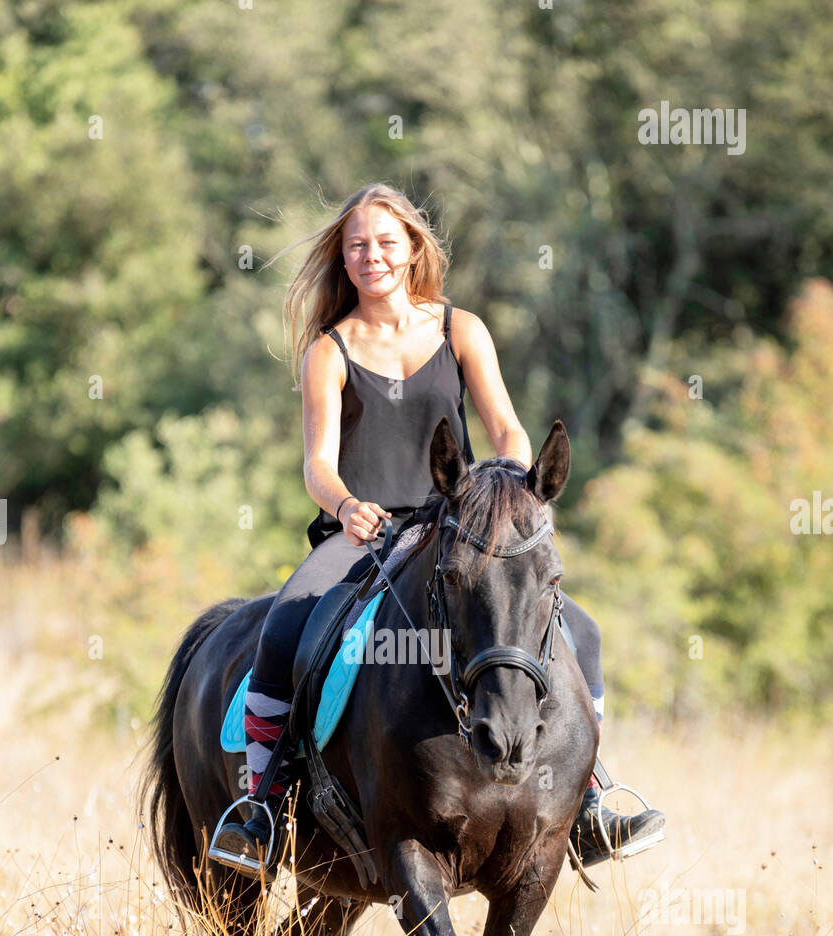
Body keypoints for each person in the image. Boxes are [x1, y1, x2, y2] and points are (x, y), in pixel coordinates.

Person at [210, 183, 664, 874]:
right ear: (343, 255)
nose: (371, 256)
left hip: (460, 525)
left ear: (413, 248)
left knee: (582, 632)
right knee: (280, 630)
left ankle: (592, 801)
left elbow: (507, 425)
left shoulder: (461, 328)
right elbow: (317, 466)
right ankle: (263, 807)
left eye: (386, 242)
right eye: (357, 245)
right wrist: (343, 507)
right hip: (364, 532)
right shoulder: (328, 351)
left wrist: (506, 482)